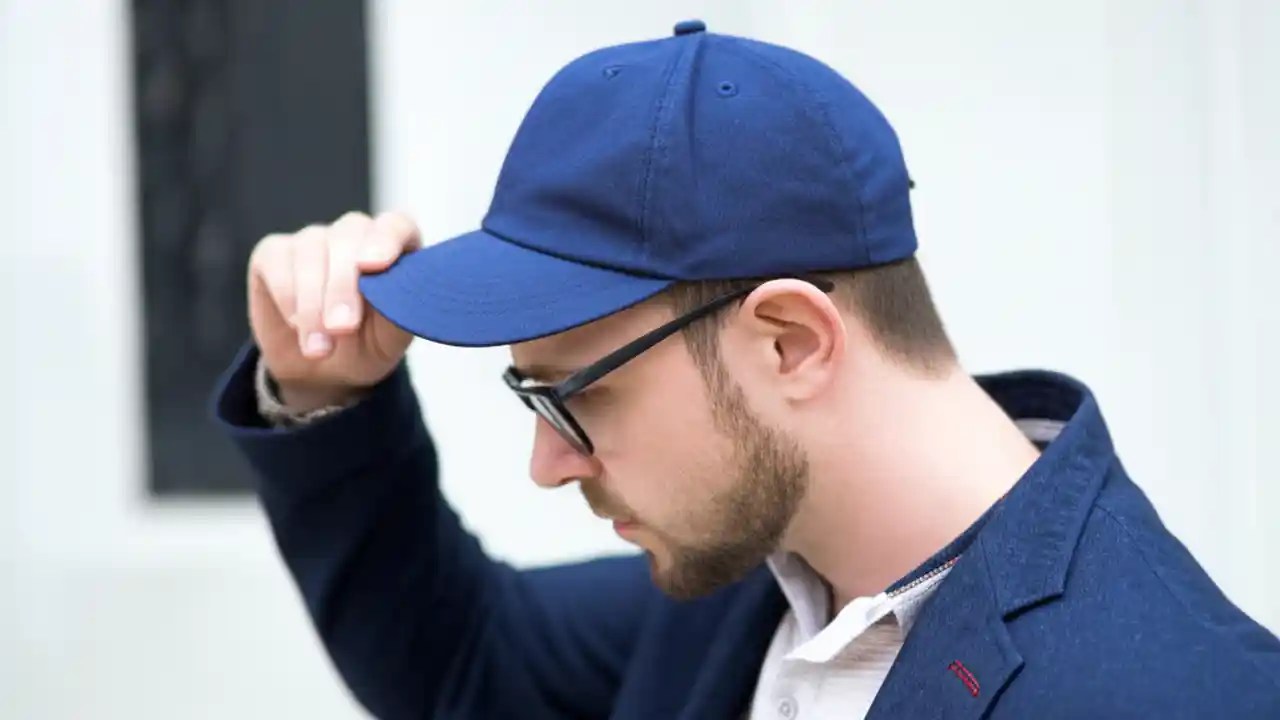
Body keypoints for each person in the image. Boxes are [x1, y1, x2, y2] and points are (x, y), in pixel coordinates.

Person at [212, 19, 1280, 720]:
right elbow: (465, 662)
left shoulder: (1173, 694)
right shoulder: (770, 587)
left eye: (575, 395)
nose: (545, 462)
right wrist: (322, 388)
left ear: (789, 342)